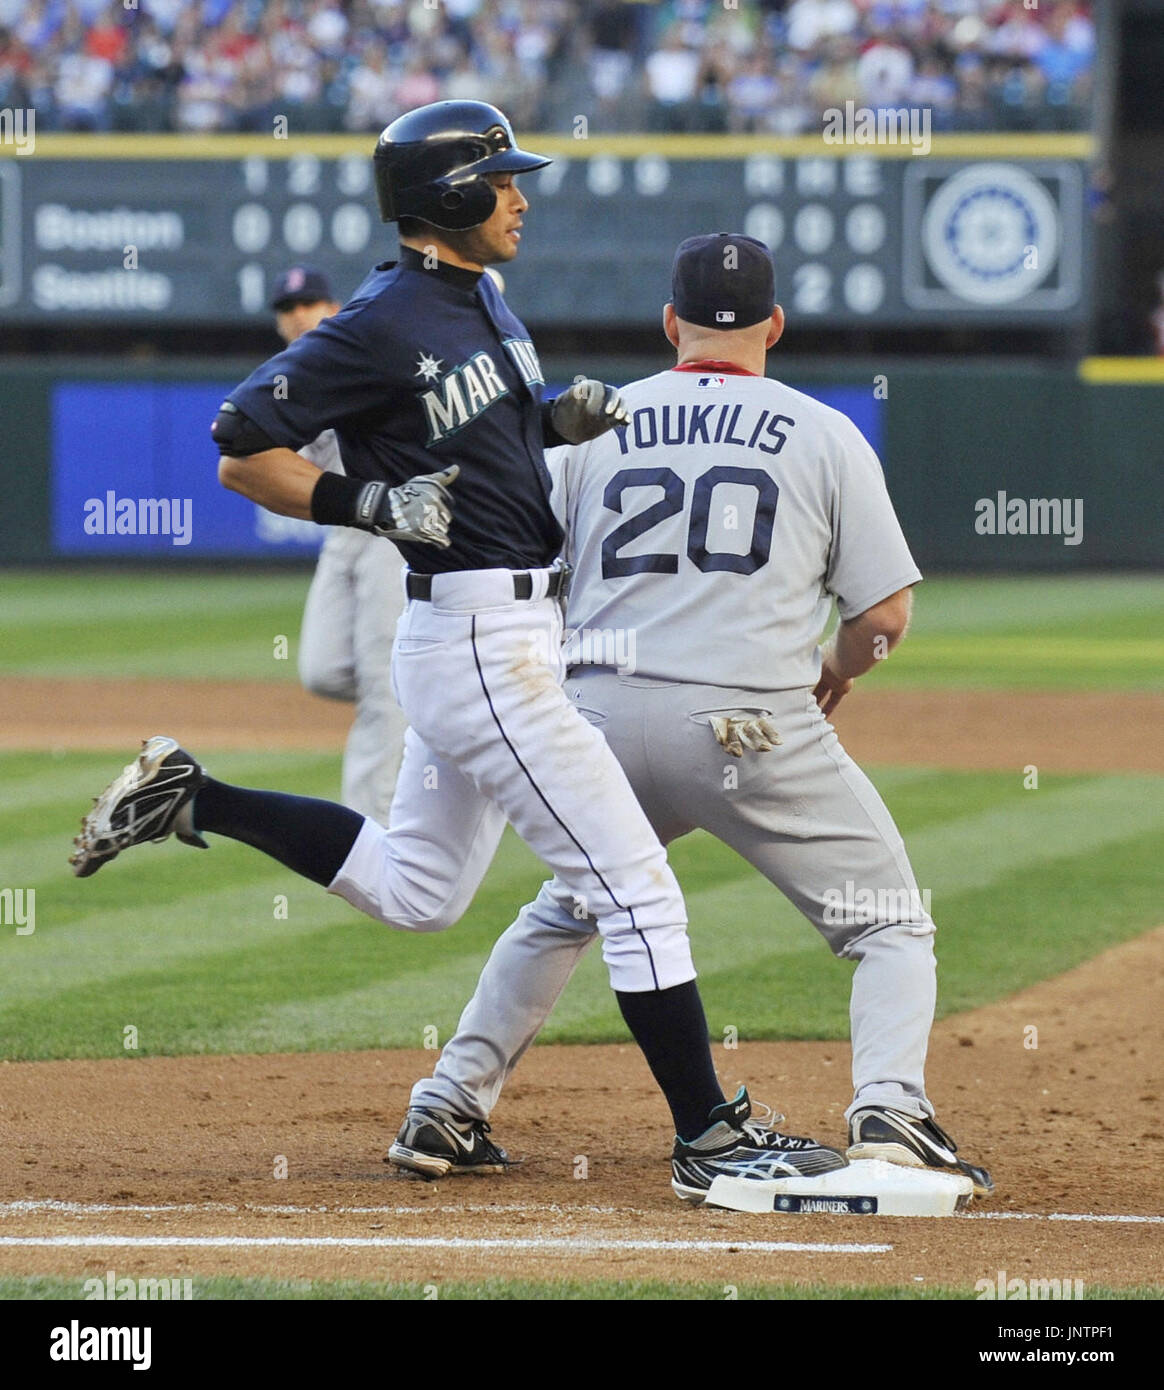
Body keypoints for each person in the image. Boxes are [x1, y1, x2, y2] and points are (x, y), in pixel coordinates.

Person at [69, 104, 846, 1205]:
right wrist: (365, 498)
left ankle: (198, 799)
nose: (521, 196)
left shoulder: (480, 296)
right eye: (502, 181)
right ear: (448, 201)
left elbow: (475, 424)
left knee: (422, 890)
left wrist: (542, 422)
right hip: (482, 642)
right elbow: (240, 446)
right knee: (634, 888)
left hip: (501, 632)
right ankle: (709, 1135)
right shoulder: (381, 318)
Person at [393, 232, 993, 1198]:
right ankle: (890, 1108)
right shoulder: (824, 431)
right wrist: (839, 671)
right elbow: (884, 615)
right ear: (777, 326)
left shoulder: (587, 428)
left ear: (670, 324)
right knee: (886, 924)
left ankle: (449, 1103)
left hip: (592, 715)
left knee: (572, 906)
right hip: (750, 723)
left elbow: (517, 568)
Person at [269, 263, 407, 824]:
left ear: (332, 307)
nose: (299, 314)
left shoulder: (360, 349)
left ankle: (370, 840)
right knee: (322, 669)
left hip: (388, 529)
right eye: (287, 308)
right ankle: (428, 699)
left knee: (382, 690)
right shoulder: (286, 373)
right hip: (341, 533)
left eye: (309, 303)